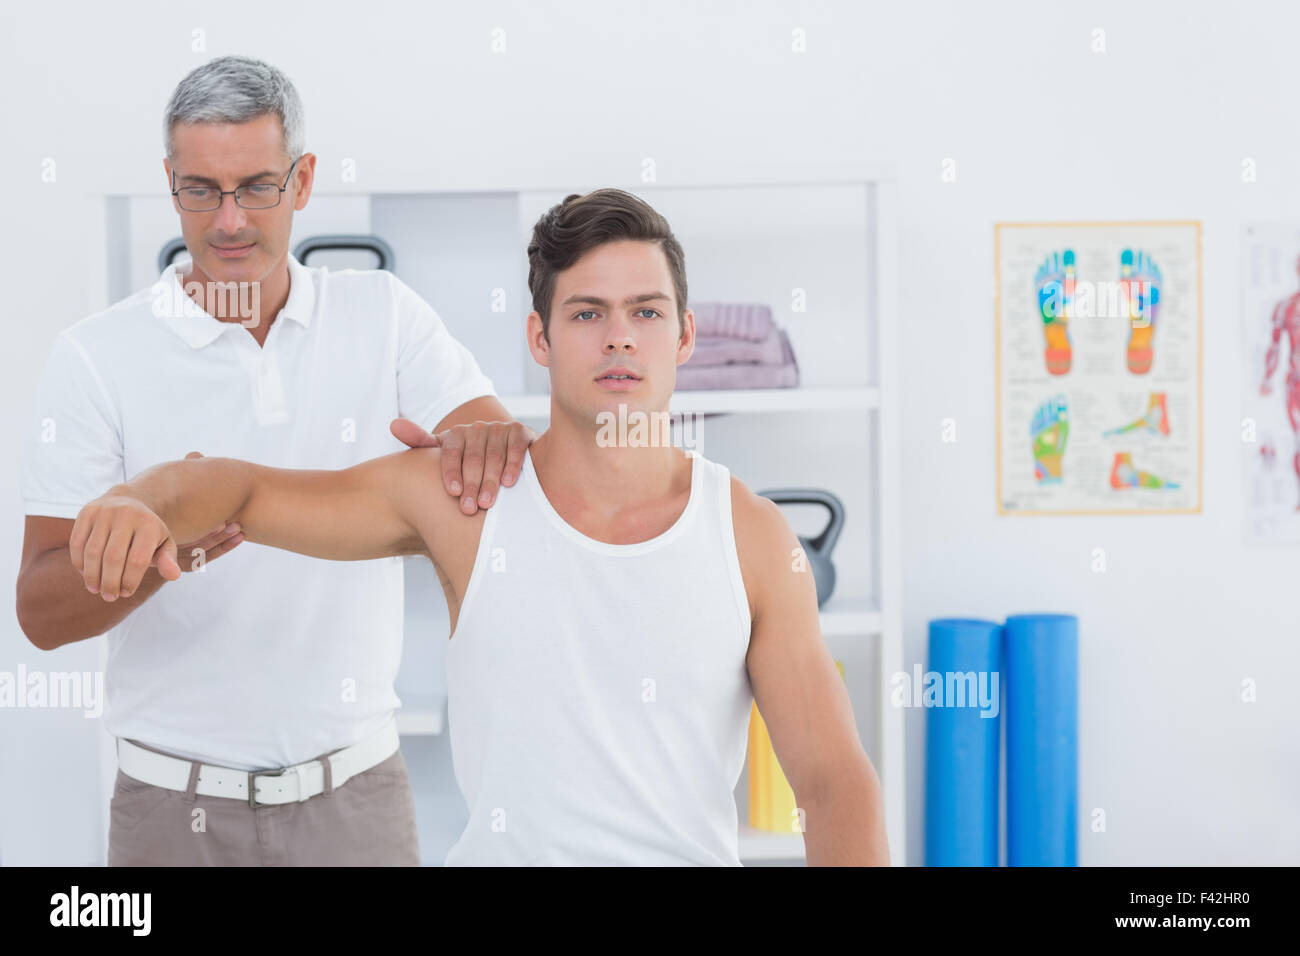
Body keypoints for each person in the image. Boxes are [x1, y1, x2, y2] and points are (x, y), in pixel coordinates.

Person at [70, 187, 890, 866]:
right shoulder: (465, 500)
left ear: (685, 337)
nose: (617, 337)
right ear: (538, 337)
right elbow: (240, 489)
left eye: (645, 312)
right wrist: (141, 499)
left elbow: (831, 782)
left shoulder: (749, 536)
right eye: (585, 314)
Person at [16, 55, 530, 866]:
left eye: (257, 185)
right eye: (201, 190)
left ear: (303, 179)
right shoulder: (94, 357)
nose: (229, 221)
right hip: (169, 811)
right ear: (170, 182)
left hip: (359, 801)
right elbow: (40, 614)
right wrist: (162, 555)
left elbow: (490, 464)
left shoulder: (385, 318)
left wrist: (478, 449)